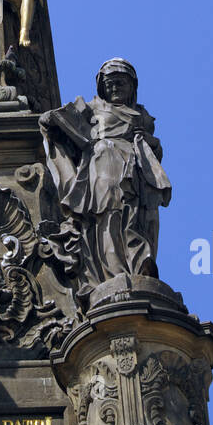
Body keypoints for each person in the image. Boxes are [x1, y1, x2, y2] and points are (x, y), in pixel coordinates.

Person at [39, 59, 171, 283]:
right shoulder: (90, 107)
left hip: (136, 169)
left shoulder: (142, 116)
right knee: (108, 213)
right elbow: (54, 118)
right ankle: (113, 274)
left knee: (139, 218)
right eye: (109, 83)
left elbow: (155, 150)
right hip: (102, 164)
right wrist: (50, 121)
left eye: (120, 82)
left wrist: (147, 140)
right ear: (101, 86)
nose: (114, 87)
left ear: (132, 86)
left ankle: (139, 266)